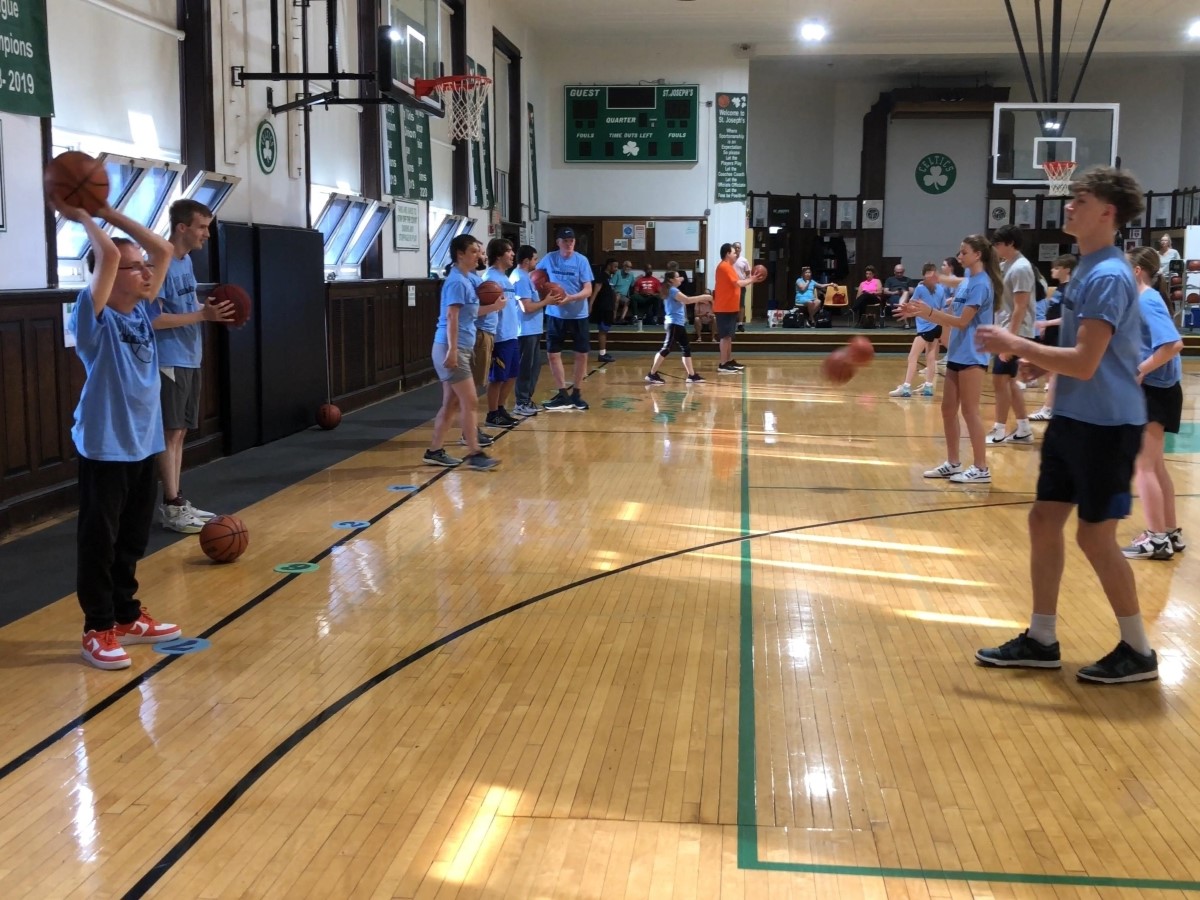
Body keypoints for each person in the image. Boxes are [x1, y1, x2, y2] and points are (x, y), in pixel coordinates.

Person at [974, 166, 1157, 684]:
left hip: (1106, 425)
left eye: (1081, 199)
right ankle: (1042, 637)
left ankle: (1138, 651)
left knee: (1096, 538)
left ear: (1108, 212)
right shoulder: (1089, 267)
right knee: (1043, 520)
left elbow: (1085, 363)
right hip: (1075, 418)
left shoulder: (1108, 275)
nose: (1070, 206)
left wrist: (1015, 346)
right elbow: (1076, 355)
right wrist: (1041, 359)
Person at [60, 198, 193, 669]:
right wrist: (82, 215)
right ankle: (96, 628)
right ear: (109, 279)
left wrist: (110, 211)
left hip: (143, 440)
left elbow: (160, 247)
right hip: (105, 443)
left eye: (143, 269)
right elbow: (111, 257)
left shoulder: (139, 310)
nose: (144, 273)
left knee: (132, 537)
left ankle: (124, 614)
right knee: (100, 540)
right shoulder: (94, 318)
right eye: (134, 269)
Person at [899, 235, 1000, 485]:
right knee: (947, 410)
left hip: (974, 355)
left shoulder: (981, 284)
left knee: (970, 412)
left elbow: (962, 322)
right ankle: (953, 464)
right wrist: (920, 312)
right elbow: (949, 317)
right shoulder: (967, 282)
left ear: (978, 255)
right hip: (957, 353)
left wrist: (929, 312)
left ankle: (981, 468)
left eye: (964, 252)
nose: (959, 256)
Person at [153, 199, 221, 534]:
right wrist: (200, 316)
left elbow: (184, 304)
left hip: (189, 355)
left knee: (179, 432)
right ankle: (170, 503)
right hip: (168, 359)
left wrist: (207, 309)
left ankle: (176, 500)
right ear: (182, 228)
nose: (206, 234)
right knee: (169, 432)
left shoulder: (187, 261)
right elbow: (153, 319)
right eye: (202, 227)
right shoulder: (160, 260)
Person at [1122, 246, 1185, 561]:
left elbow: (1174, 344)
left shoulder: (1147, 300)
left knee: (1143, 466)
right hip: (1162, 391)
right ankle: (1169, 531)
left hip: (1155, 393)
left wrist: (1140, 369)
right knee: (1156, 466)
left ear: (1135, 271)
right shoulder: (1146, 299)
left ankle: (1157, 539)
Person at [423, 234, 500, 472]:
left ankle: (434, 451)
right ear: (460, 254)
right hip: (450, 348)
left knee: (452, 403)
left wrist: (495, 306)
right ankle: (475, 453)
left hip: (460, 346)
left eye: (479, 251)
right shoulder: (457, 282)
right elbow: (452, 316)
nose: (479, 255)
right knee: (470, 401)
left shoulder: (468, 279)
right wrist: (453, 351)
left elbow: (471, 312)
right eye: (474, 251)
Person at [986, 225, 1036, 445]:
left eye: (998, 243)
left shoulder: (1022, 268)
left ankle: (999, 429)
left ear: (1010, 244)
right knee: (1010, 382)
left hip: (1016, 332)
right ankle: (1024, 428)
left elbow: (1020, 306)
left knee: (1000, 380)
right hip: (1006, 331)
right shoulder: (1007, 266)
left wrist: (1010, 341)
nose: (995, 248)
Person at [537, 226, 594, 411]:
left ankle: (577, 393)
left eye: (571, 241)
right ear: (558, 242)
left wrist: (570, 297)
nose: (569, 244)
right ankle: (562, 394)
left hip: (578, 314)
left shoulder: (581, 261)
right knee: (553, 354)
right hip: (555, 314)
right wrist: (542, 292)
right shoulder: (549, 258)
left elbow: (588, 290)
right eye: (565, 241)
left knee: (581, 354)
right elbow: (536, 277)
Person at [1029, 254, 1076, 422]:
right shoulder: (1060, 288)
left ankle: (1049, 409)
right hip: (1052, 333)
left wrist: (1045, 324)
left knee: (1056, 372)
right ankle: (1052, 407)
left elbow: (1068, 317)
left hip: (1062, 335)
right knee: (1051, 372)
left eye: (1057, 267)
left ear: (1067, 269)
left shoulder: (1071, 289)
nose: (1052, 270)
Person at [888, 262, 945, 398]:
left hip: (925, 326)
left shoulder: (920, 288)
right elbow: (942, 309)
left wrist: (908, 311)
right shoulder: (941, 288)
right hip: (937, 326)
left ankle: (906, 387)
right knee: (931, 358)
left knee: (912, 357)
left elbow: (912, 306)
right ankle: (929, 386)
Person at [512, 245, 556, 418]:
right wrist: (547, 301)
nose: (537, 263)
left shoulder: (525, 277)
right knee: (525, 368)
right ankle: (521, 402)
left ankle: (526, 400)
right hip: (525, 331)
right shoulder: (521, 278)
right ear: (526, 261)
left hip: (532, 330)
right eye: (535, 259)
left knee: (533, 367)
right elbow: (527, 307)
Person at [644, 270, 710, 385]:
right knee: (666, 348)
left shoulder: (670, 289)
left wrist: (680, 278)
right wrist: (703, 297)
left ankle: (692, 375)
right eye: (677, 277)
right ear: (671, 280)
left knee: (686, 348)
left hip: (678, 324)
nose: (680, 279)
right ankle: (652, 374)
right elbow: (687, 300)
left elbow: (683, 290)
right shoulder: (673, 290)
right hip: (674, 324)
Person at [483, 239, 522, 429]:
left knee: (512, 374)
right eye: (509, 251)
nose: (513, 254)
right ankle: (492, 413)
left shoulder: (505, 278)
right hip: (499, 336)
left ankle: (500, 408)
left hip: (512, 334)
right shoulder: (490, 279)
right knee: (498, 377)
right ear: (498, 255)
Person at [713, 243, 759, 373]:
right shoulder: (724, 267)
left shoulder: (729, 267)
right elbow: (738, 283)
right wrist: (752, 279)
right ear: (727, 253)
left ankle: (728, 360)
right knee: (724, 337)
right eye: (733, 252)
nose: (736, 254)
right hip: (724, 307)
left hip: (730, 307)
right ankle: (723, 364)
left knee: (729, 336)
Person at [591, 257, 619, 364]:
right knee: (602, 331)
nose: (616, 269)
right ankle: (602, 354)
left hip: (608, 308)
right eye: (615, 267)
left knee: (605, 330)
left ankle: (603, 352)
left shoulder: (608, 278)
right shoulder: (602, 276)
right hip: (603, 308)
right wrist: (590, 305)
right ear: (609, 266)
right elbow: (595, 292)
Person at [732, 242, 751, 330]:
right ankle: (731, 323)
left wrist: (745, 281)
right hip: (731, 286)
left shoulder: (744, 260)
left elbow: (748, 273)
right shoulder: (729, 260)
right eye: (735, 247)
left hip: (741, 285)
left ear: (741, 249)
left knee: (741, 304)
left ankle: (740, 323)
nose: (737, 249)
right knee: (731, 304)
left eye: (739, 248)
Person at [611, 259, 635, 324]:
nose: (628, 268)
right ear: (623, 266)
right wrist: (614, 292)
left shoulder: (631, 275)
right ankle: (613, 318)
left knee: (627, 301)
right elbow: (612, 285)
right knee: (617, 297)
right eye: (627, 266)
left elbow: (633, 285)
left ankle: (622, 318)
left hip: (624, 296)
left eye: (630, 267)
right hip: (615, 293)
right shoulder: (618, 273)